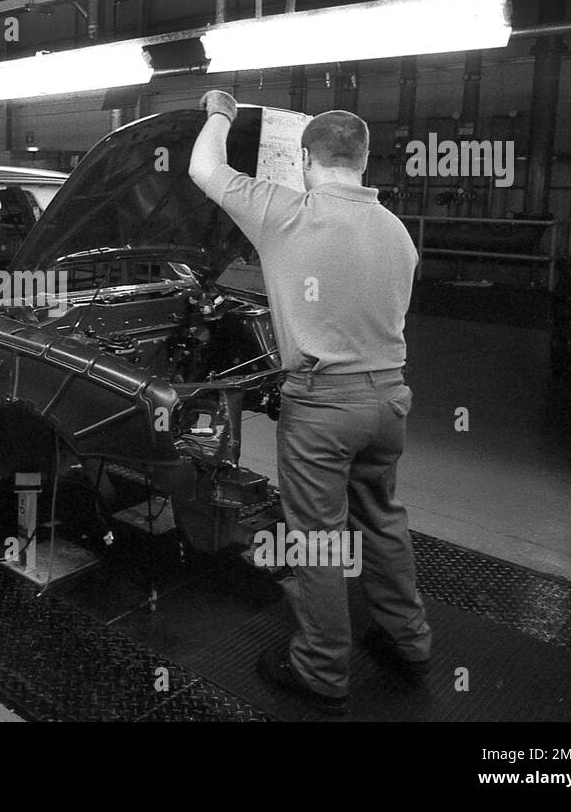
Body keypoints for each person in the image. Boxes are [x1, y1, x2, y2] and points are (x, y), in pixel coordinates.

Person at [188, 89, 431, 715]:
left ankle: (321, 670)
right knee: (382, 517)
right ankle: (409, 640)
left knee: (319, 539)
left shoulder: (284, 212)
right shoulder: (397, 232)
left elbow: (205, 171)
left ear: (303, 160)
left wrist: (221, 112)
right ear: (364, 160)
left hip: (323, 408)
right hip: (390, 397)